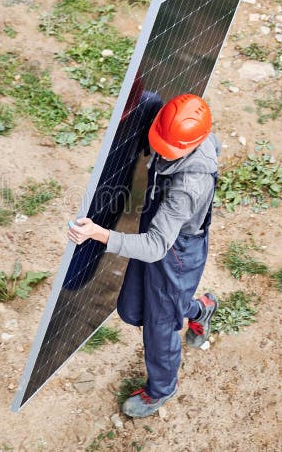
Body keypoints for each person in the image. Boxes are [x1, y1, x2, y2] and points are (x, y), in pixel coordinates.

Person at [67, 93, 220, 418]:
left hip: (175, 251)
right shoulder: (172, 121)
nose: (160, 155)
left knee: (160, 325)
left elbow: (154, 246)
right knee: (133, 309)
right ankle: (199, 308)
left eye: (169, 152)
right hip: (156, 226)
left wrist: (100, 234)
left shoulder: (188, 188)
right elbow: (147, 96)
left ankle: (161, 389)